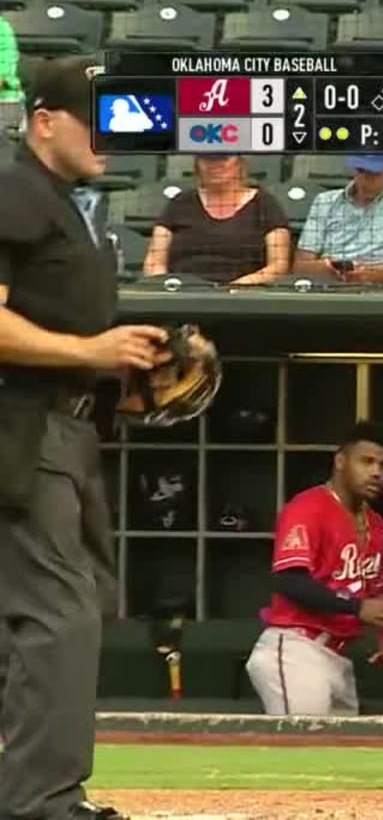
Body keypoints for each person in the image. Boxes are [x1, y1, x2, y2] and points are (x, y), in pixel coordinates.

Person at [0, 55, 171, 820]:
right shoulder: (15, 192)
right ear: (43, 122)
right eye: (95, 119)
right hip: (20, 429)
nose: (112, 136)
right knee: (59, 611)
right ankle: (41, 801)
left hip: (65, 432)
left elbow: (69, 333)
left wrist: (124, 376)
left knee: (66, 607)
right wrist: (89, 355)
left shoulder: (68, 207)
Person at [244, 421, 383, 716]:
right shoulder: (307, 508)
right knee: (303, 750)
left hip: (337, 656)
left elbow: (371, 592)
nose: (376, 472)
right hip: (296, 648)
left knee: (340, 756)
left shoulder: (375, 524)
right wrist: (358, 607)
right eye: (367, 461)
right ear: (341, 461)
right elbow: (289, 580)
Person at [143, 154, 292, 285]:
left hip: (243, 295)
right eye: (207, 159)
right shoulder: (180, 203)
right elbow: (154, 261)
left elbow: (278, 266)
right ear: (197, 164)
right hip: (184, 294)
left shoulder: (265, 204)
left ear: (240, 162)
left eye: (223, 158)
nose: (214, 165)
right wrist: (165, 286)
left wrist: (235, 288)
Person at [293, 155, 383, 287]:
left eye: (373, 173)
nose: (363, 180)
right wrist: (324, 268)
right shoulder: (324, 202)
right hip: (326, 292)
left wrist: (370, 276)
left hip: (380, 296)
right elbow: (300, 266)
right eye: (360, 170)